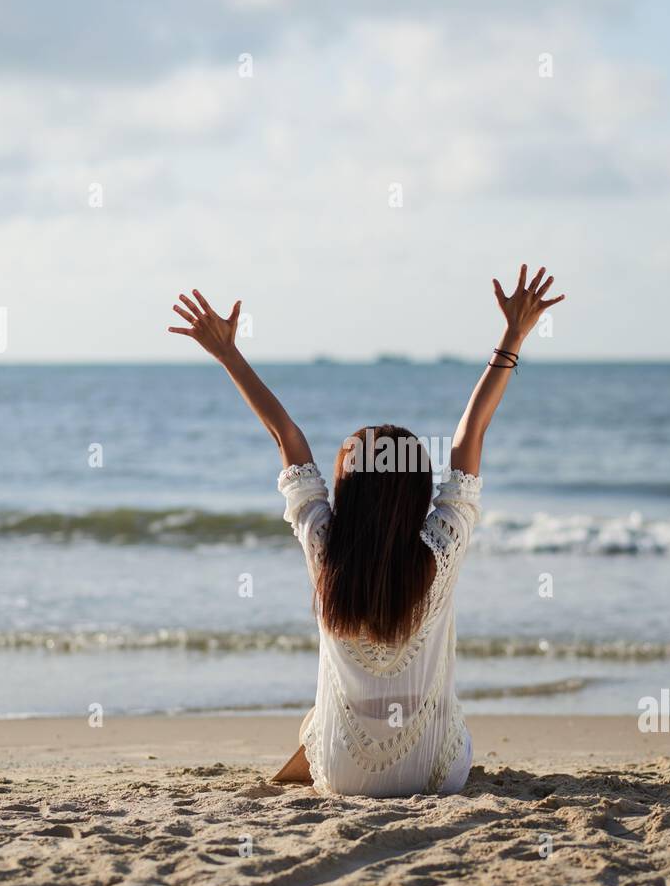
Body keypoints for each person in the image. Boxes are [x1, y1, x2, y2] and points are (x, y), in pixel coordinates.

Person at [168, 265, 565, 795]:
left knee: (315, 725)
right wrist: (513, 336)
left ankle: (309, 754)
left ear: (347, 489)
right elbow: (472, 431)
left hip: (339, 774)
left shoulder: (324, 548)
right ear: (418, 492)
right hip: (436, 775)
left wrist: (228, 354)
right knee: (444, 728)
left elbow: (285, 435)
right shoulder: (442, 548)